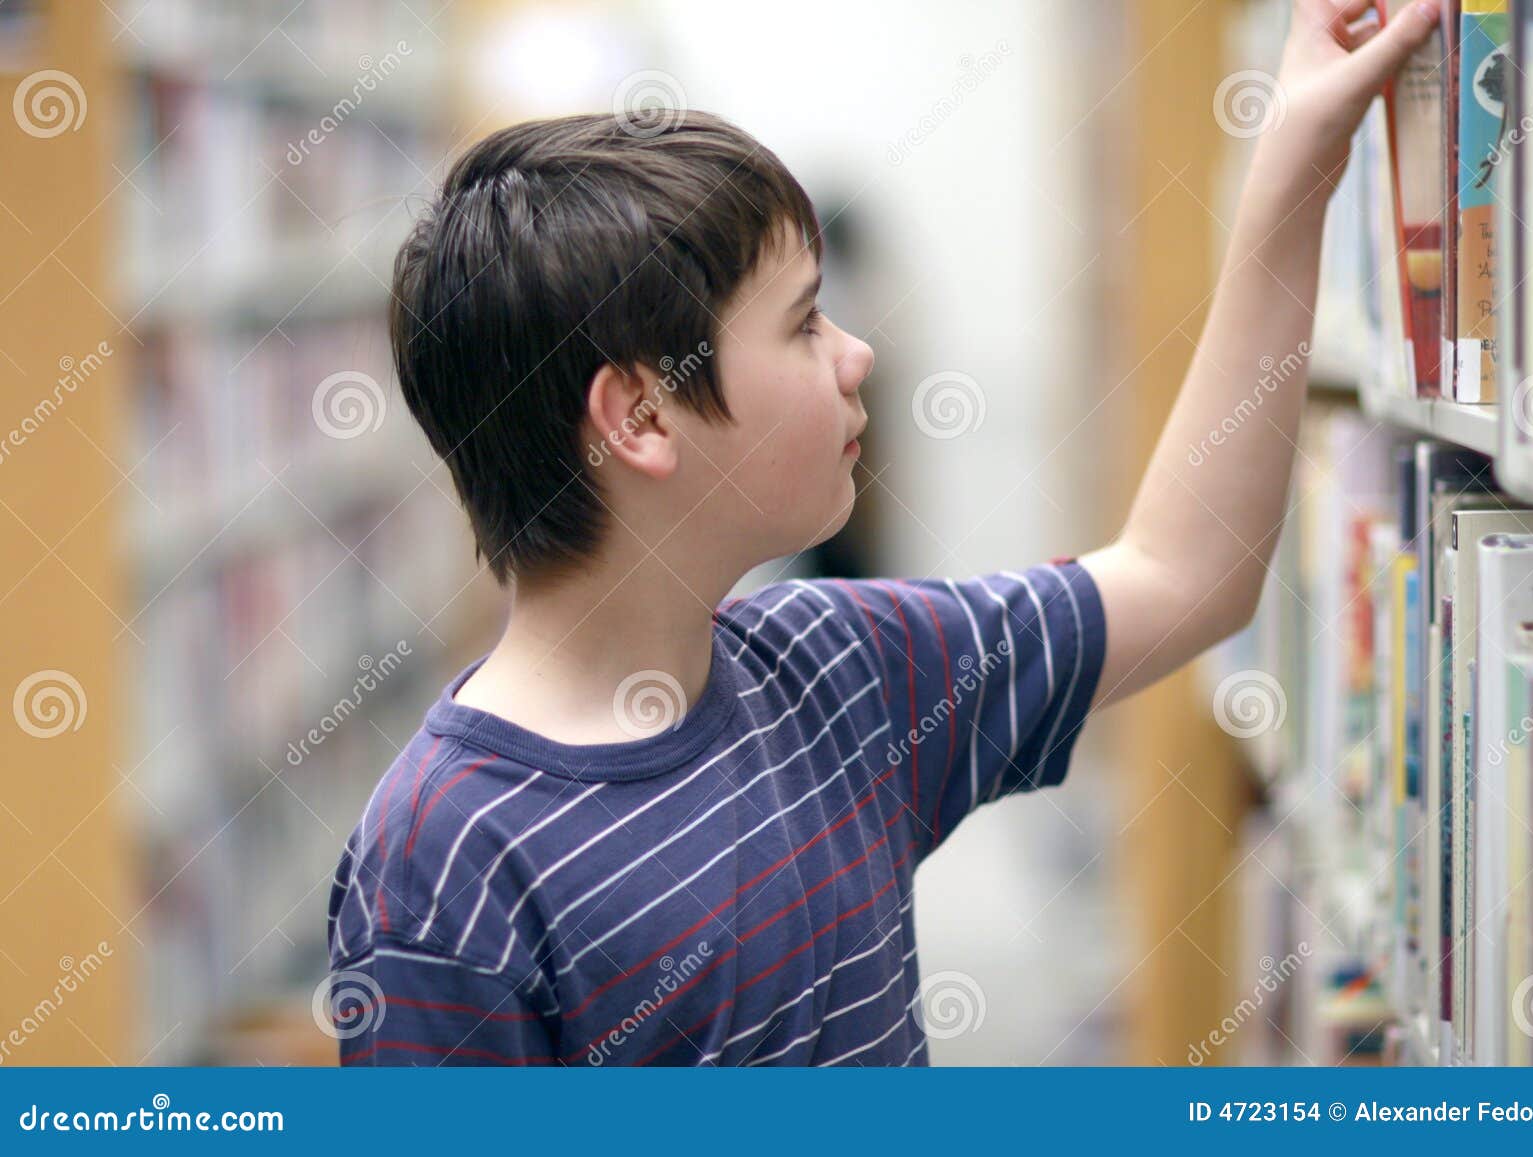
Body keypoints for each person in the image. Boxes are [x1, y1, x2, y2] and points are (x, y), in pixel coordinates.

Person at [326, 0, 1440, 1065]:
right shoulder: (444, 860)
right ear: (643, 413)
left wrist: (1298, 152)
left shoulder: (843, 674)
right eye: (805, 321)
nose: (857, 354)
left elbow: (1185, 572)